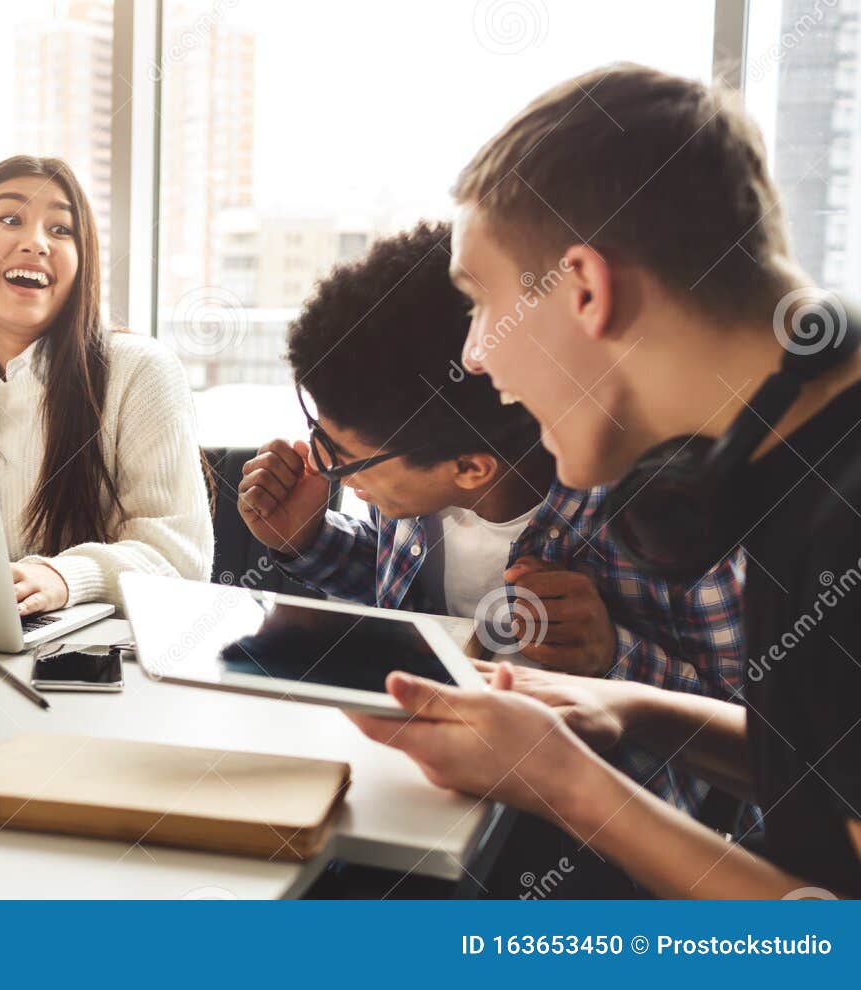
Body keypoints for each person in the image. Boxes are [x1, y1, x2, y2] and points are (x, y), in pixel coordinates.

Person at [351, 64, 861, 898]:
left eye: (480, 303)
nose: (475, 355)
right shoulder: (801, 449)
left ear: (586, 289)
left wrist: (565, 782)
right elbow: (827, 774)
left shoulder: (841, 520)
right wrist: (629, 710)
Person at [238, 221, 743, 814]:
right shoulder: (418, 475)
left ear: (471, 469)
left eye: (342, 456)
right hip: (421, 789)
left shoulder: (672, 510)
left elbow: (756, 741)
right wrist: (308, 539)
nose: (321, 467)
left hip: (597, 833)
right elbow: (415, 606)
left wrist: (613, 657)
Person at [0, 156, 212, 613]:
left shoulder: (141, 371)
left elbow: (180, 558)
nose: (36, 242)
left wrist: (64, 577)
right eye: (10, 219)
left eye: (61, 229)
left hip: (101, 649)